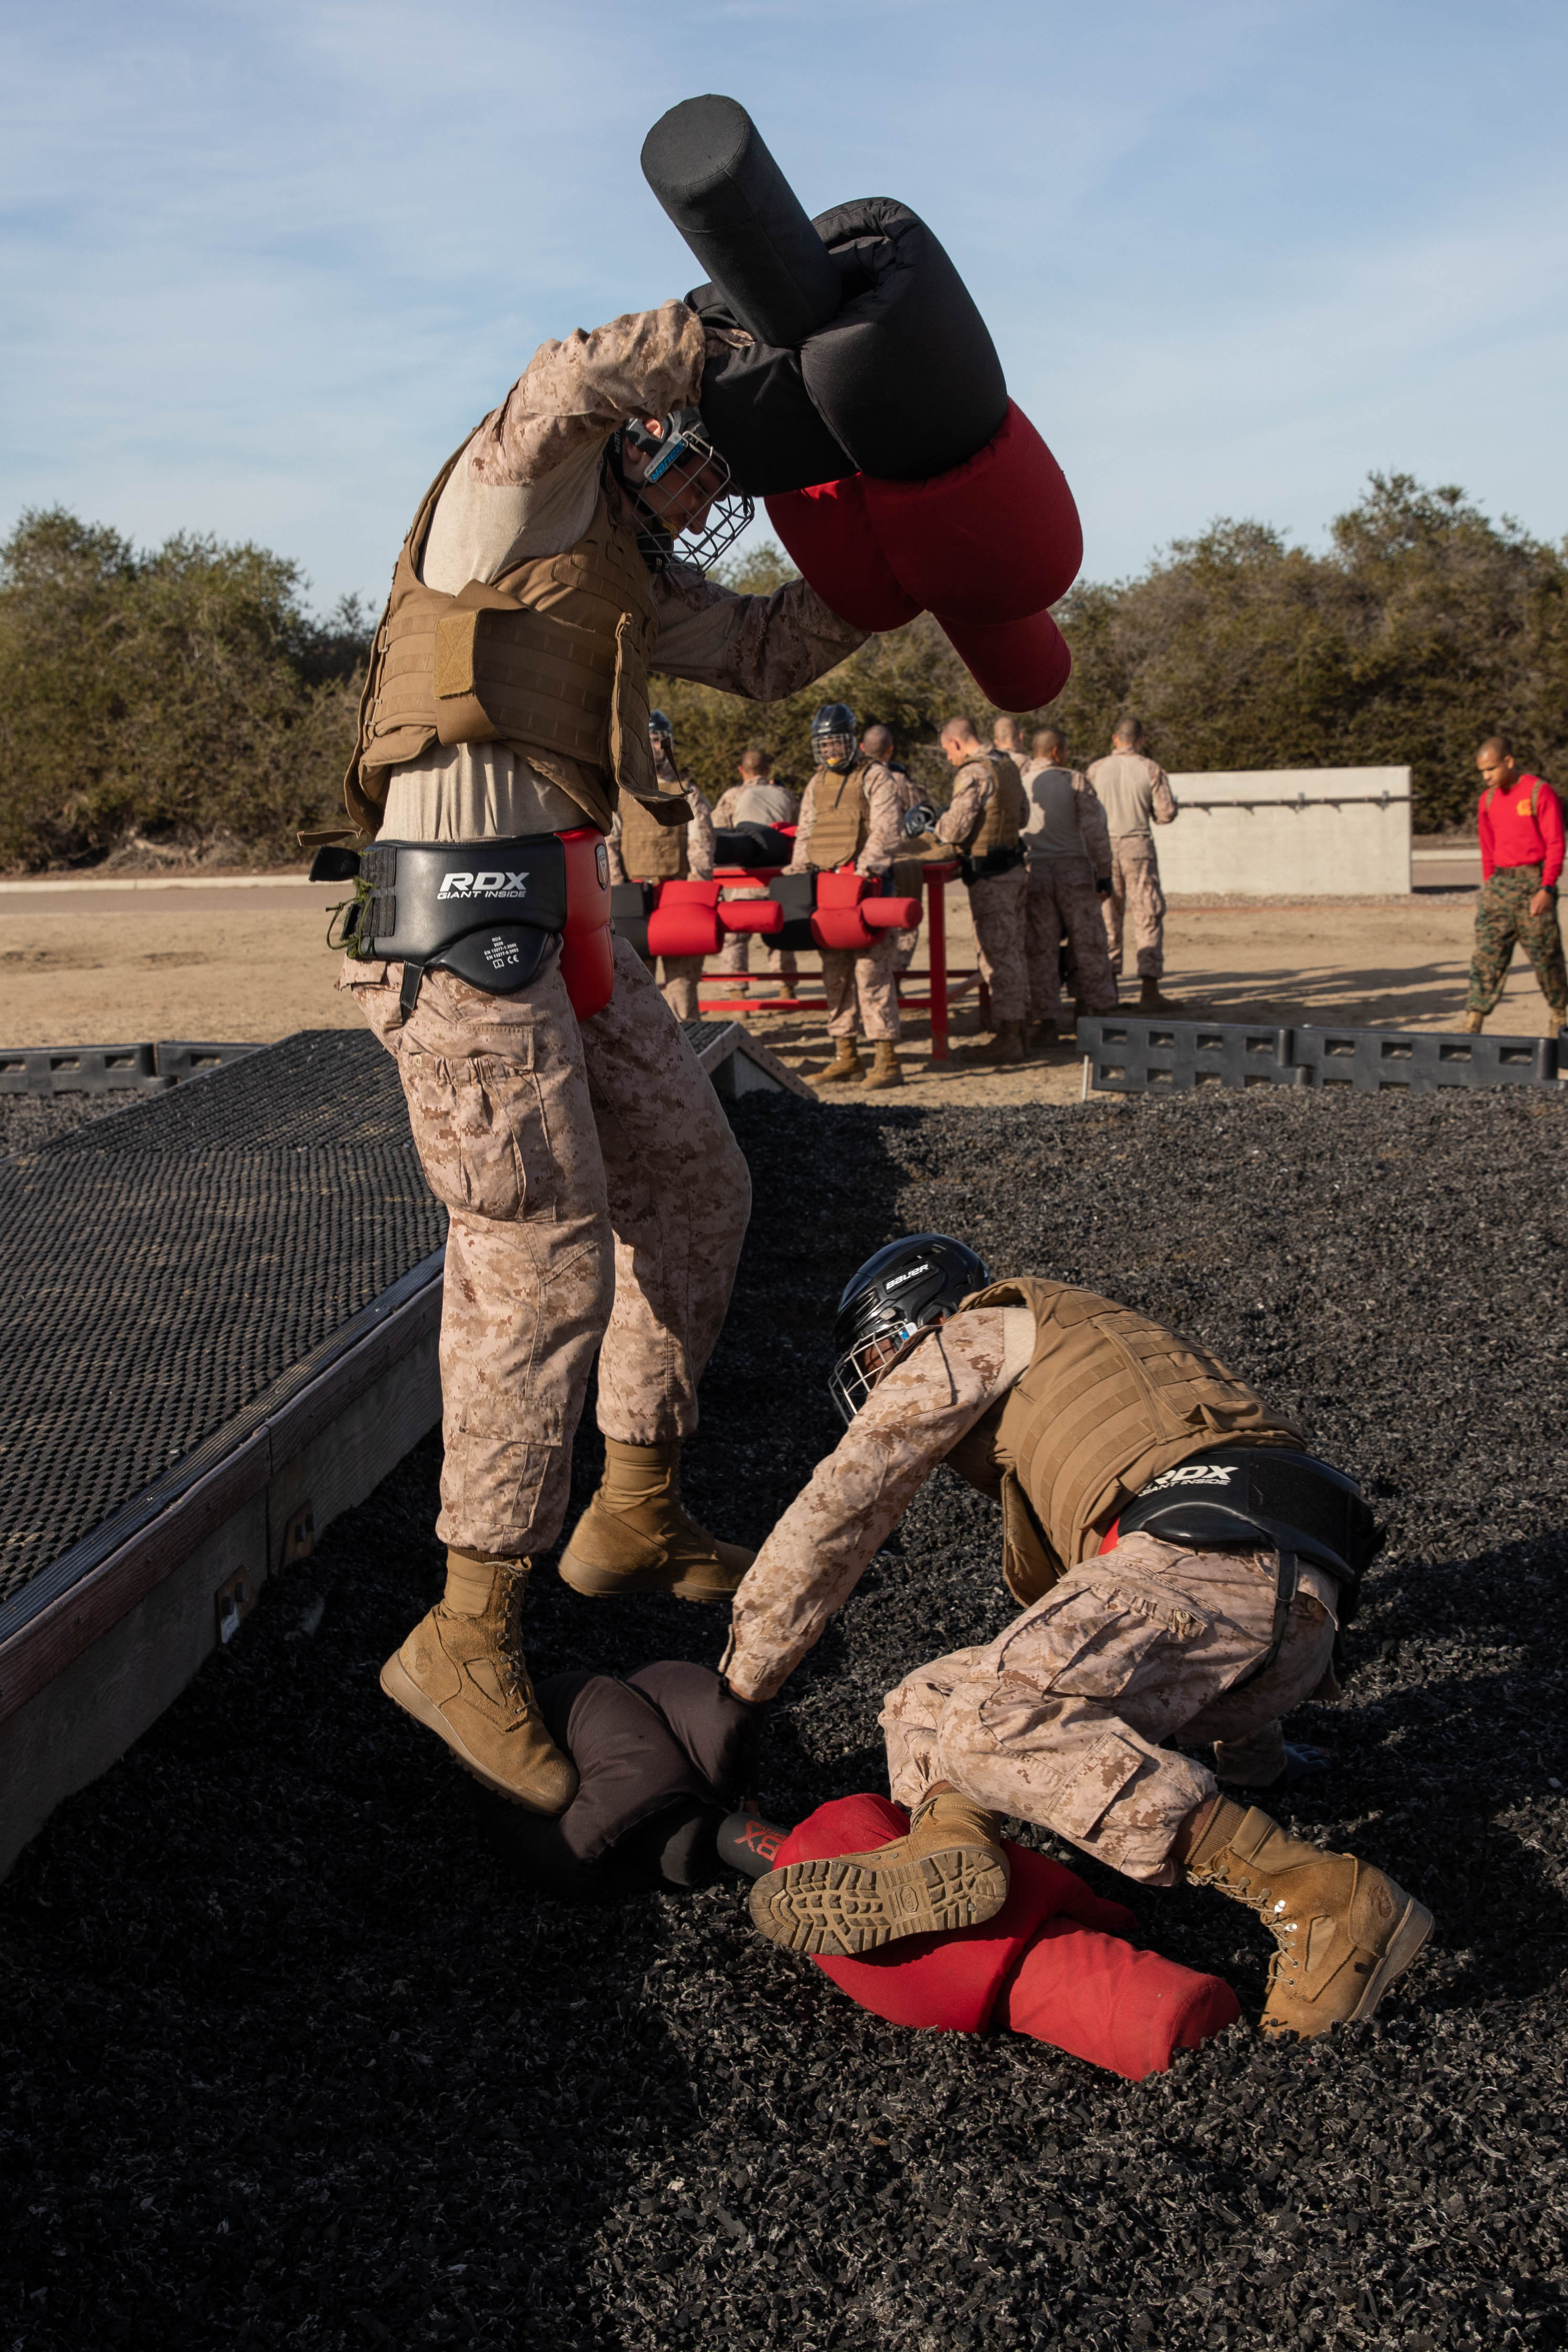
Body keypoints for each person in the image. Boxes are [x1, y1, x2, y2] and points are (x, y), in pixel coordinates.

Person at [338, 302, 875, 1812]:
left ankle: (632, 1504)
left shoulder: (626, 572)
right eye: (705, 469)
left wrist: (894, 576)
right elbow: (568, 373)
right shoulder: (514, 493)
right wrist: (735, 327)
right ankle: (466, 1630)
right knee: (536, 1253)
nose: (714, 505)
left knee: (699, 1186)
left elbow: (771, 652)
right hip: (455, 918)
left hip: (567, 910)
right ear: (646, 439)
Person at [725, 1235, 1433, 2041]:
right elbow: (1196, 1615)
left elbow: (847, 1499)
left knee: (993, 1712)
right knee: (928, 1697)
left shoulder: (973, 1334)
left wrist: (742, 1682)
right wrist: (1255, 1757)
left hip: (1222, 1562)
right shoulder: (1111, 1395)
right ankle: (953, 1843)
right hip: (1269, 1606)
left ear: (924, 1315)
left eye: (882, 1345)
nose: (880, 1369)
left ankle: (1317, 1896)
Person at [788, 701, 907, 1089]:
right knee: (834, 976)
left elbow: (887, 829)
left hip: (865, 888)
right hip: (827, 892)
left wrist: (863, 871)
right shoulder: (816, 783)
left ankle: (886, 1059)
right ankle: (846, 1055)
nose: (832, 752)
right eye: (825, 746)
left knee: (871, 974)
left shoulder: (875, 776)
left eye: (837, 743)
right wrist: (797, 873)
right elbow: (806, 832)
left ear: (851, 741)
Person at [606, 710, 715, 1019]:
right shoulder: (623, 793)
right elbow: (611, 844)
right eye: (646, 742)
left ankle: (692, 1044)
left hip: (676, 895)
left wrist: (695, 893)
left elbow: (701, 847)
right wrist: (620, 890)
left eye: (657, 741)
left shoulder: (687, 793)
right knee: (637, 987)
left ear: (667, 744)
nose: (652, 748)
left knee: (683, 983)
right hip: (634, 899)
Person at [936, 716, 1030, 1064]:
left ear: (956, 743)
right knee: (1014, 952)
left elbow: (955, 830)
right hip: (1014, 867)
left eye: (948, 751)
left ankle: (1008, 1037)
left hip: (990, 876)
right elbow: (1022, 817)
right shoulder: (1006, 766)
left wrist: (937, 824)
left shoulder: (973, 773)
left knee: (997, 957)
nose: (949, 759)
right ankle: (1018, 1030)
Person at [1018, 727, 1120, 1046]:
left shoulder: (1021, 783)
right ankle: (1095, 1013)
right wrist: (1104, 873)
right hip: (1074, 870)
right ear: (1057, 751)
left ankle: (1046, 1020)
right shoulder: (1074, 780)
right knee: (1088, 944)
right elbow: (1095, 830)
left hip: (1034, 871)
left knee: (1041, 948)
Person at [1465, 736, 1567, 1038]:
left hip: (1533, 885)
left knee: (1546, 956)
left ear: (1508, 762)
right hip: (1500, 885)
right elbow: (1488, 846)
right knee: (1487, 954)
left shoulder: (1539, 792)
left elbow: (1555, 844)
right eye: (1482, 771)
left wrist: (1546, 888)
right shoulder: (1488, 800)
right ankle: (1473, 1020)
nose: (1487, 777)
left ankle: (1559, 1017)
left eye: (1491, 769)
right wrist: (1490, 886)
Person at [1088, 717, 1182, 1012]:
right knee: (1147, 914)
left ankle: (1111, 988)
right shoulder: (1150, 768)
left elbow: (1086, 815)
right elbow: (1165, 813)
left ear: (1115, 738)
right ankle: (1150, 989)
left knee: (1107, 917)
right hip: (1138, 845)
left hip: (1104, 847)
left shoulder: (1095, 770)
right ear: (1140, 740)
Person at [710, 748, 801, 1000]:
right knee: (782, 926)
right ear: (768, 770)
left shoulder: (733, 796)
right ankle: (786, 986)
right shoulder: (785, 795)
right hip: (780, 878)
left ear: (741, 771)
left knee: (736, 935)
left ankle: (736, 992)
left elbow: (717, 834)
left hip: (745, 877)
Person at [860, 723, 924, 975]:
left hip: (859, 864)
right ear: (891, 751)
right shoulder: (897, 780)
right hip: (897, 861)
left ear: (862, 748)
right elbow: (920, 811)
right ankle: (897, 973)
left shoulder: (853, 778)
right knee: (903, 919)